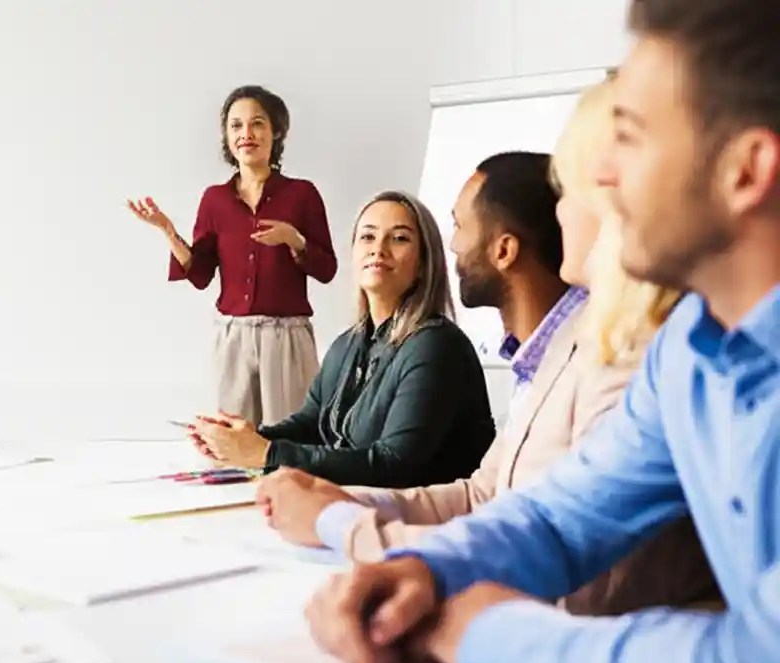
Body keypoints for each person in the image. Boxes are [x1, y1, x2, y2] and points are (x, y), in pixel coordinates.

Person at [303, 1, 780, 663]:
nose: (601, 179)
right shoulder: (689, 348)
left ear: (745, 171)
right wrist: (422, 573)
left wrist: (479, 633)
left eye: (631, 137)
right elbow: (561, 518)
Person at [261, 109, 716, 616]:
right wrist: (342, 501)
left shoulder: (621, 357)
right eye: (366, 237)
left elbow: (576, 569)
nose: (452, 243)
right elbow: (483, 496)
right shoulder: (549, 352)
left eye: (456, 226)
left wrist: (339, 524)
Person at [190, 191, 494, 487]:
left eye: (399, 238)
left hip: (431, 525)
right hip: (366, 512)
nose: (379, 249)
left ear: (424, 264)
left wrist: (267, 454)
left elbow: (394, 466)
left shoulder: (435, 346)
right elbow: (311, 425)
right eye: (368, 237)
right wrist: (242, 440)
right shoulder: (348, 343)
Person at [127, 85, 337, 427]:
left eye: (257, 124)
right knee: (229, 442)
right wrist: (167, 230)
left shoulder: (302, 195)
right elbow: (200, 275)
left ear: (276, 131)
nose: (246, 134)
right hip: (232, 338)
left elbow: (328, 269)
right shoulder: (215, 200)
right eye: (236, 126)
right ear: (226, 136)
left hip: (286, 337)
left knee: (289, 444)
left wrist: (294, 240)